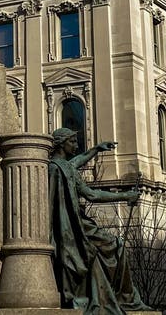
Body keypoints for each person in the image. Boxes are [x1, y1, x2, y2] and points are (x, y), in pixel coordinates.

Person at [49, 128, 147, 315]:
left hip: (79, 224)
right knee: (115, 246)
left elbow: (79, 166)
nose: (76, 146)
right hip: (71, 226)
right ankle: (123, 298)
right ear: (62, 144)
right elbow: (90, 194)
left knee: (116, 246)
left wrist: (96, 150)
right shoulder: (56, 169)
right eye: (73, 142)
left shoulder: (64, 167)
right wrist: (126, 195)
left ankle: (124, 298)